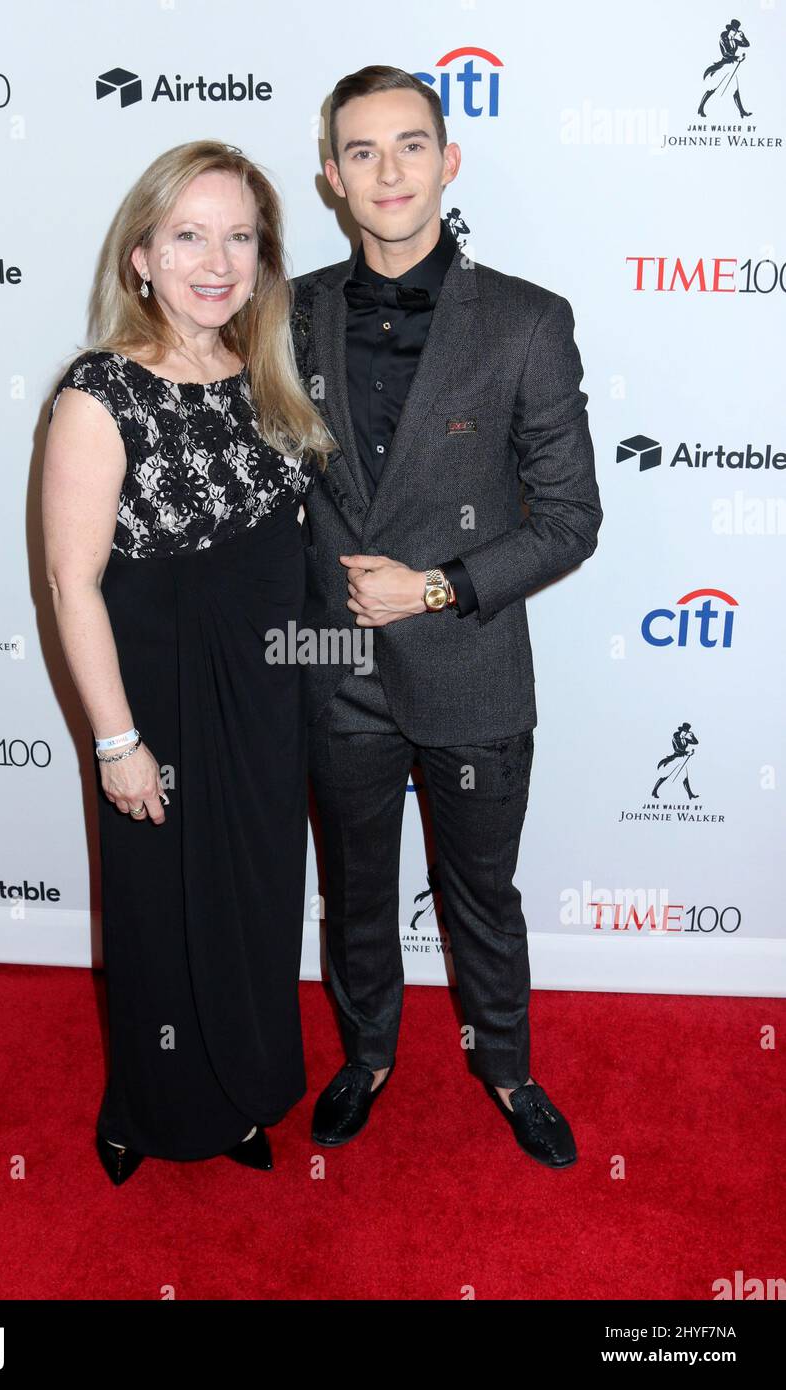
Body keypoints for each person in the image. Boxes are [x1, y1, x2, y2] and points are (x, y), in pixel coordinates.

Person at [290, 67, 603, 1166]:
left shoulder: (525, 322)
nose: (389, 171)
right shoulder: (287, 316)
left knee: (483, 896)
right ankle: (367, 1054)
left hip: (469, 665)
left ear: (448, 161)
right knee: (357, 891)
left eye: (411, 146)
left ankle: (509, 1068)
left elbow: (570, 519)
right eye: (363, 152)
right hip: (336, 670)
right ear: (332, 176)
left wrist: (432, 587)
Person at [43, 140, 335, 1184]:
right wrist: (118, 742)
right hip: (159, 697)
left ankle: (235, 1096)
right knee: (160, 910)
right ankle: (146, 1110)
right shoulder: (99, 392)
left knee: (254, 899)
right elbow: (74, 583)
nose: (218, 260)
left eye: (240, 236)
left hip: (265, 696)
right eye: (188, 235)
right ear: (140, 258)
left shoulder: (268, 369)